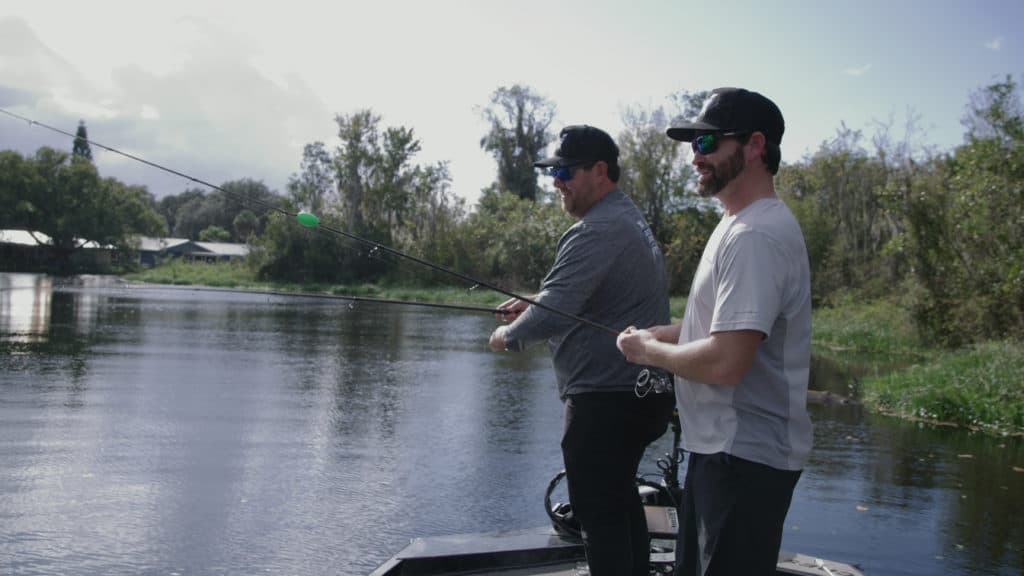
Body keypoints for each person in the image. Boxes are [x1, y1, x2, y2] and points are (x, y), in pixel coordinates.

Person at [616, 88, 813, 576]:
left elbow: (727, 362)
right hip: (723, 454)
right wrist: (667, 333)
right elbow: (726, 328)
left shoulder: (755, 236)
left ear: (755, 145)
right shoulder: (737, 223)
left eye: (707, 142)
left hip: (744, 460)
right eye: (693, 144)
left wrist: (648, 351)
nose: (695, 156)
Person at [488, 124, 675, 576]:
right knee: (618, 500)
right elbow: (579, 295)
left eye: (566, 171)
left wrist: (506, 337)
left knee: (598, 512)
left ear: (600, 171)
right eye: (553, 172)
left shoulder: (597, 229)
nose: (557, 182)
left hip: (605, 399)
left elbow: (554, 311)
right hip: (641, 394)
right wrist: (535, 301)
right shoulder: (626, 217)